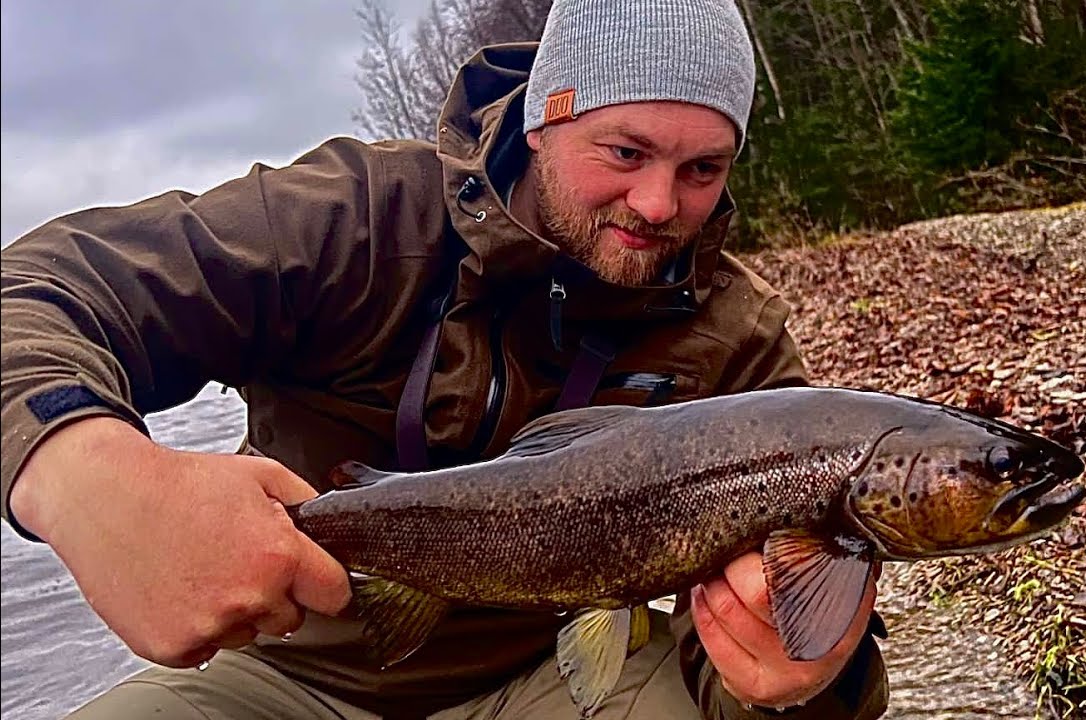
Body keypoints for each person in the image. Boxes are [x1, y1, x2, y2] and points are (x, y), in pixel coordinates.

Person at [0, 1, 889, 718]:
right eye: (625, 153)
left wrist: (809, 685)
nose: (658, 204)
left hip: (559, 669)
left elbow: (761, 634)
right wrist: (80, 468)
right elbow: (46, 287)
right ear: (544, 122)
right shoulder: (353, 218)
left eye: (704, 169)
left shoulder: (739, 336)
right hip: (282, 675)